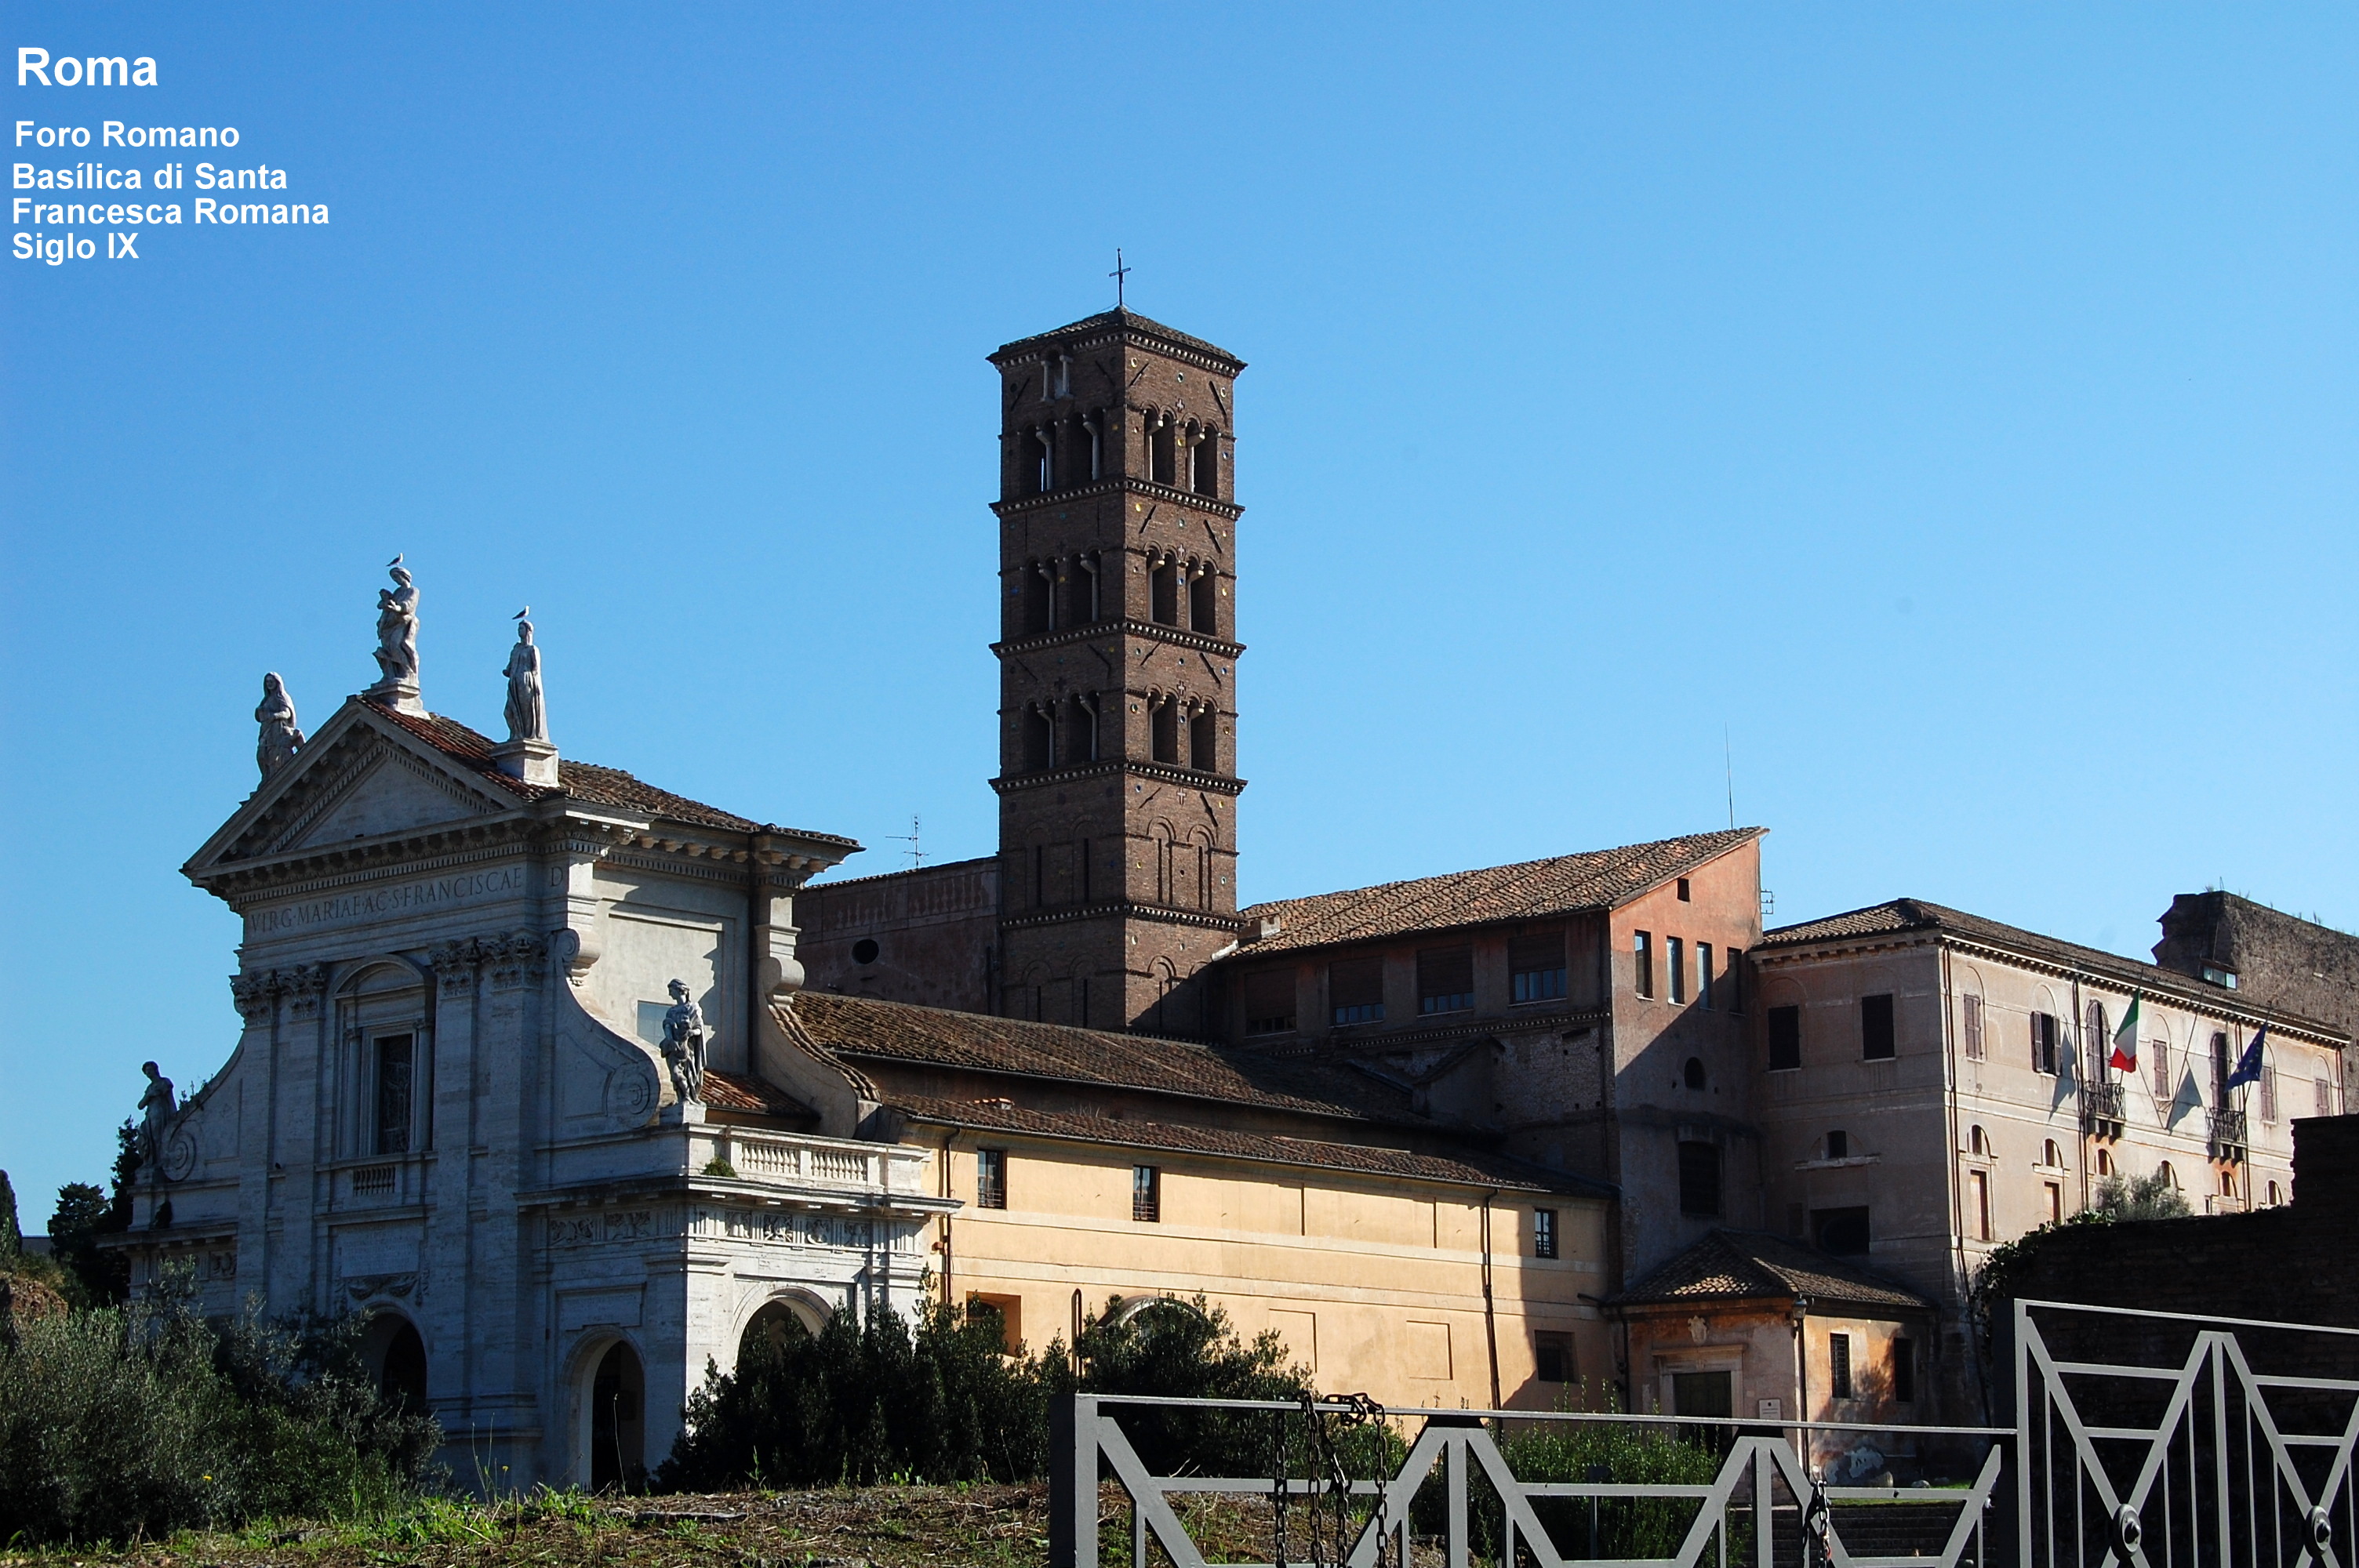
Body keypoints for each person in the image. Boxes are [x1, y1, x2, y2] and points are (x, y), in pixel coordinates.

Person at [660, 979, 707, 1104]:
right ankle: (683, 1097)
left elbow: (699, 1029)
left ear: (680, 990)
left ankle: (689, 1097)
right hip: (674, 1048)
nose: (670, 994)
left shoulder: (693, 1008)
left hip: (688, 1049)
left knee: (689, 1073)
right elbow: (667, 1026)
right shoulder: (671, 1011)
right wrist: (671, 1040)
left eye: (671, 991)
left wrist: (691, 1032)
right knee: (675, 1074)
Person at [503, 619, 547, 742]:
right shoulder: (516, 649)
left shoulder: (532, 649)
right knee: (508, 712)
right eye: (518, 628)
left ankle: (526, 735)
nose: (519, 631)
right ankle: (516, 734)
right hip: (514, 683)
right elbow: (510, 666)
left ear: (528, 631)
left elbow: (536, 669)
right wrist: (508, 671)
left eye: (521, 628)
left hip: (526, 682)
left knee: (526, 711)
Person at [137, 1061, 177, 1174]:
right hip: (151, 1115)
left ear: (155, 1070)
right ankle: (153, 1161)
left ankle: (161, 1161)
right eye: (146, 1071)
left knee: (159, 1137)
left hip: (161, 1113)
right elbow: (140, 1106)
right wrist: (149, 1095)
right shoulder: (150, 1088)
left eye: (150, 1070)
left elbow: (170, 1099)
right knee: (149, 1138)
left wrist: (174, 1113)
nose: (148, 1073)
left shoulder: (164, 1082)